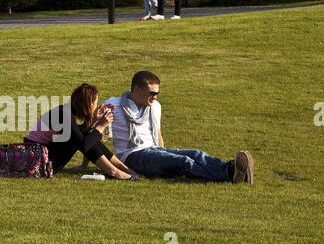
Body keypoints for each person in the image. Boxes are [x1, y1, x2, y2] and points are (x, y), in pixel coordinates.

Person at [103, 71, 254, 183]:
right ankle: (232, 174)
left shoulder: (155, 106)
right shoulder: (113, 105)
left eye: (157, 93)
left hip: (153, 150)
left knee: (196, 153)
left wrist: (163, 154)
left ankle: (233, 168)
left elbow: (158, 134)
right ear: (136, 90)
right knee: (182, 162)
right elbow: (99, 136)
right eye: (151, 92)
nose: (155, 96)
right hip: (133, 157)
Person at [24, 84, 137, 179]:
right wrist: (101, 126)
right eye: (95, 103)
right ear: (89, 104)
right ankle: (114, 172)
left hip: (39, 156)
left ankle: (125, 169)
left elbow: (79, 136)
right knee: (85, 137)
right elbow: (84, 145)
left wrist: (93, 122)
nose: (96, 106)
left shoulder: (65, 112)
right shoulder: (64, 115)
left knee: (84, 134)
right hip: (39, 163)